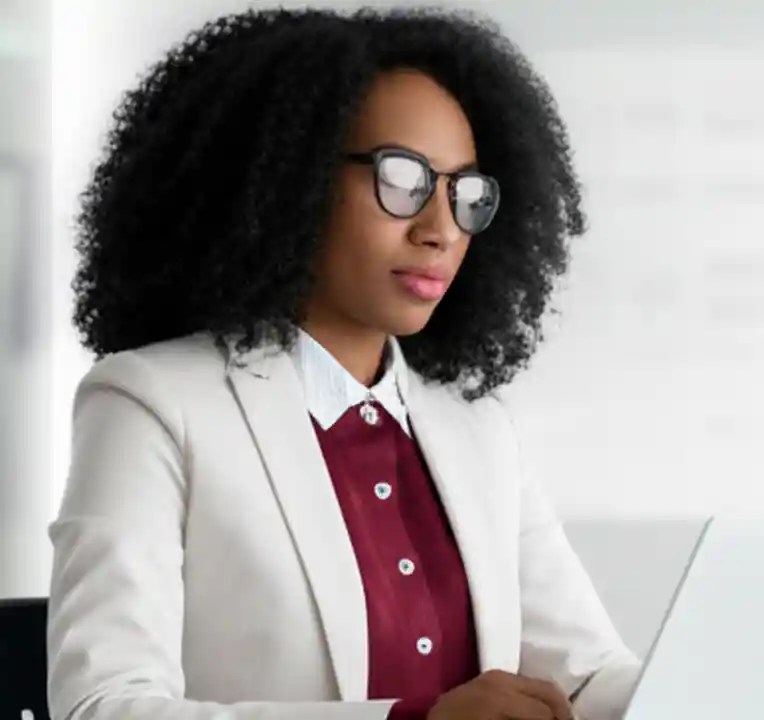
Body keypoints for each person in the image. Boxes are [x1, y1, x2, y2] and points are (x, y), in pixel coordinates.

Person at [46, 7, 640, 720]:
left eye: (465, 192)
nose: (440, 229)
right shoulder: (150, 405)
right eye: (403, 178)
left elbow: (585, 680)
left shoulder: (474, 428)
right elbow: (104, 707)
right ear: (287, 176)